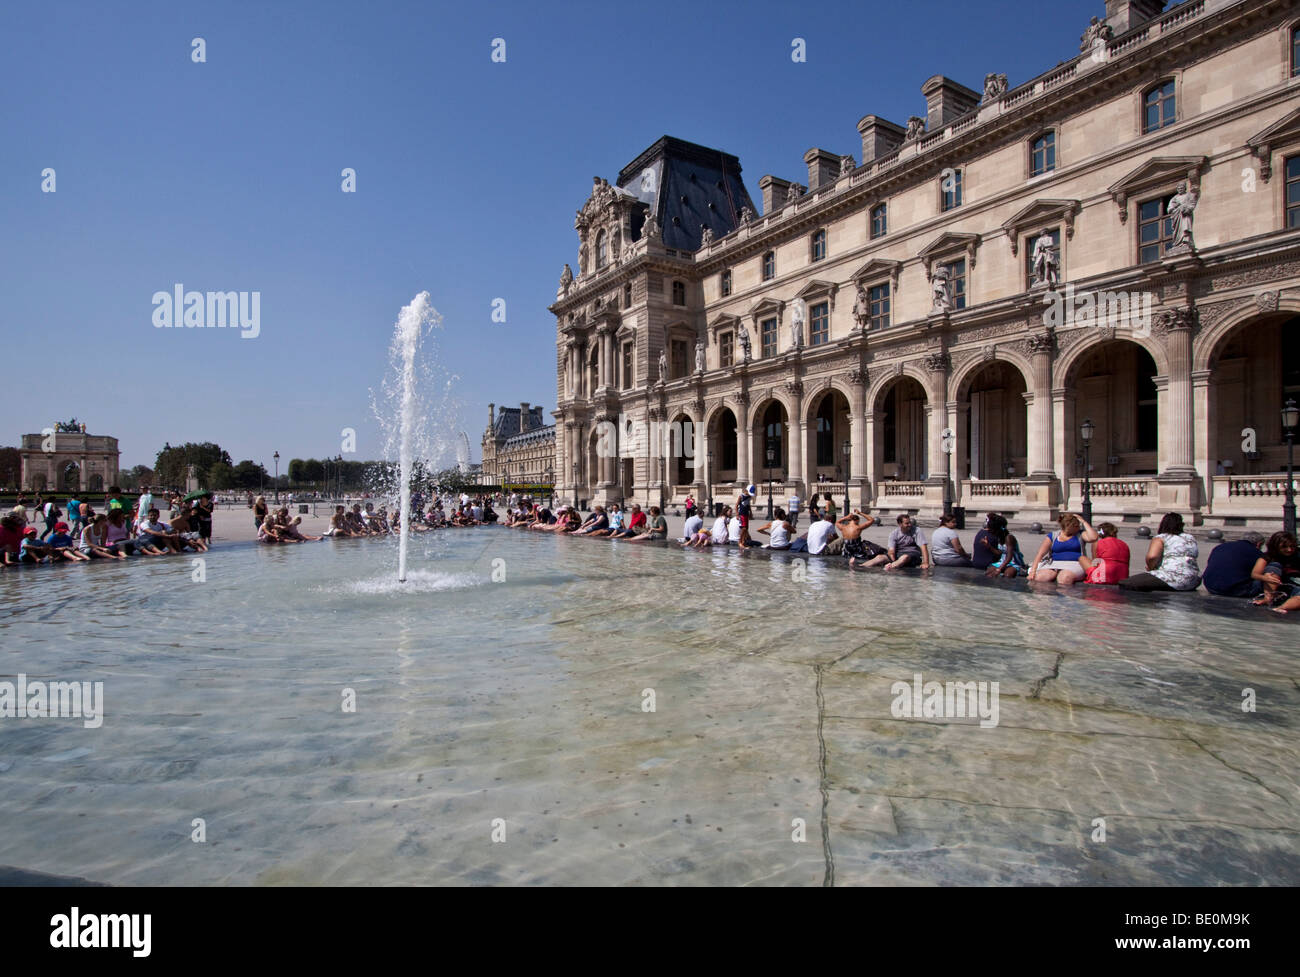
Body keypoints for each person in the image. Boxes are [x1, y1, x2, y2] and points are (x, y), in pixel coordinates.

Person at [1119, 512, 1201, 592]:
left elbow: (1152, 557)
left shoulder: (1161, 538)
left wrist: (1151, 568)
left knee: (1127, 583)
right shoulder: (1190, 538)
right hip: (1193, 580)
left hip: (1172, 578)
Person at [1027, 513, 1098, 585]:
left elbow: (1094, 537)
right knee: (1040, 577)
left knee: (1064, 578)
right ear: (1068, 526)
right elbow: (1040, 554)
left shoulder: (1080, 534)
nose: (1079, 528)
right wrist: (1033, 571)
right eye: (1076, 526)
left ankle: (1067, 595)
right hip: (1054, 564)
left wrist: (1084, 522)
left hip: (1075, 564)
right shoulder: (1053, 535)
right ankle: (1046, 595)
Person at [1202, 532, 1268, 598]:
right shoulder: (1256, 552)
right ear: (1258, 544)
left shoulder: (1220, 547)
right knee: (1269, 576)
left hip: (1210, 586)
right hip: (1235, 590)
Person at [860, 513, 930, 569]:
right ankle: (860, 567)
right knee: (879, 557)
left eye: (909, 522)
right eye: (907, 523)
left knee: (904, 557)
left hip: (912, 555)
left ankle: (889, 567)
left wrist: (926, 562)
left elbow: (923, 547)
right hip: (898, 554)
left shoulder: (917, 530)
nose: (909, 525)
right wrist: (892, 556)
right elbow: (891, 550)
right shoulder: (894, 534)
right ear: (900, 524)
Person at [1251, 531, 1300, 610]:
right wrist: (1265, 578)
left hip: (1290, 586)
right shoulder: (1268, 556)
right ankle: (1268, 599)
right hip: (1267, 586)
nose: (1289, 549)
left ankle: (1281, 608)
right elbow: (1254, 574)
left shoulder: (1297, 554)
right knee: (1274, 566)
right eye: (1284, 547)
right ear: (1276, 546)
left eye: (1292, 546)